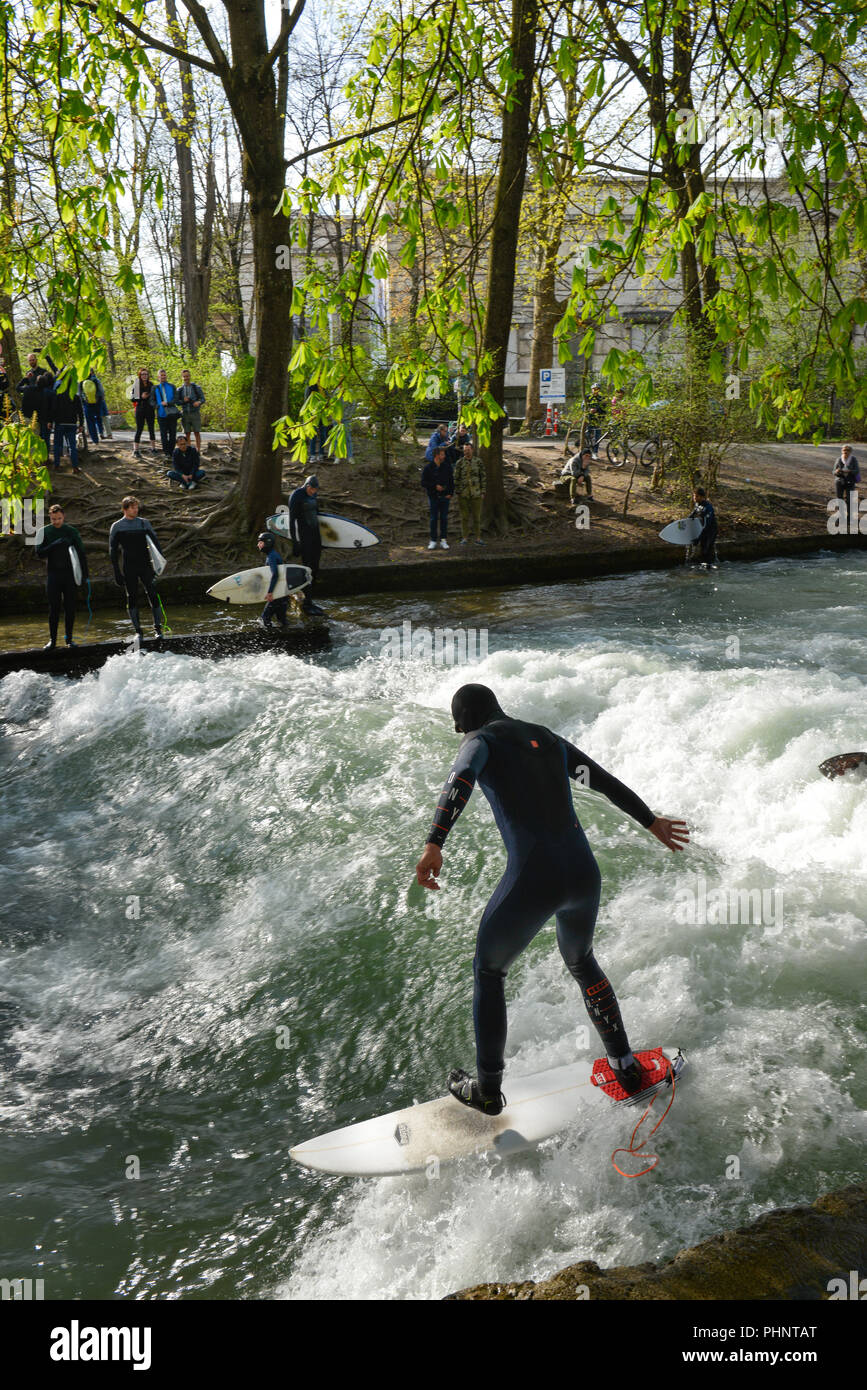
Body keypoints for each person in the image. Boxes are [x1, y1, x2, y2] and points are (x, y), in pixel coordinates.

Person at [415, 684, 689, 1113]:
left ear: (465, 720)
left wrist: (435, 842)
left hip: (533, 880)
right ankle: (625, 1064)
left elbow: (461, 777)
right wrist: (650, 820)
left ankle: (488, 1089)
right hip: (583, 875)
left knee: (489, 972)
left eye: (458, 726)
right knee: (582, 962)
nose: (459, 733)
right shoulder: (546, 738)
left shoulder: (480, 741)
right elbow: (602, 781)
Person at [109, 495, 164, 639]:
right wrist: (116, 571)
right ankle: (138, 631)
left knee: (153, 594)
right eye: (133, 507)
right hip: (129, 567)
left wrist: (158, 564)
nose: (136, 510)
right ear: (125, 509)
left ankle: (158, 628)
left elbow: (156, 545)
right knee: (132, 597)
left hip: (146, 565)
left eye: (137, 507)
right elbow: (113, 550)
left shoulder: (144, 523)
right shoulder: (117, 526)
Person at [35, 503, 88, 649]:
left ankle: (69, 639)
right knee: (54, 608)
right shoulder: (43, 532)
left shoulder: (71, 531)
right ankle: (52, 640)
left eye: (59, 518)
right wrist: (54, 544)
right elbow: (39, 553)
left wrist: (84, 576)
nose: (56, 521)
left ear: (63, 516)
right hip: (53, 574)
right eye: (53, 519)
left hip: (70, 575)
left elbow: (82, 554)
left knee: (70, 607)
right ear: (50, 518)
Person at [288, 474, 326, 615]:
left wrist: (326, 541)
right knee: (308, 569)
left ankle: (310, 600)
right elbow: (292, 521)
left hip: (316, 536)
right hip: (305, 537)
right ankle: (306, 603)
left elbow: (317, 515)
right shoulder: (296, 495)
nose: (314, 492)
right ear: (307, 486)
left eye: (316, 490)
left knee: (315, 569)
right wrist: (295, 542)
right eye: (312, 490)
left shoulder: (313, 496)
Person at [49, 370, 84, 473]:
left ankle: (56, 465)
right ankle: (75, 467)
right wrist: (81, 424)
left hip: (59, 423)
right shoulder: (76, 396)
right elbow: (80, 412)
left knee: (57, 445)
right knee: (72, 446)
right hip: (72, 423)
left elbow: (53, 409)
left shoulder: (58, 395)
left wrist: (51, 421)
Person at [257, 530, 291, 631]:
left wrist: (270, 592)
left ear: (267, 543)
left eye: (260, 542)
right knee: (282, 620)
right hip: (283, 594)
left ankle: (269, 641)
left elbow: (275, 574)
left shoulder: (272, 556)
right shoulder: (273, 554)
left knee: (264, 619)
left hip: (277, 594)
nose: (258, 545)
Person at [421, 445, 454, 550]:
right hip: (433, 497)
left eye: (444, 454)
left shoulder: (447, 467)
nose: (444, 456)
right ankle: (433, 540)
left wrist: (450, 493)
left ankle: (443, 540)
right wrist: (434, 486)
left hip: (445, 497)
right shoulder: (428, 468)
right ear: (436, 455)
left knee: (444, 518)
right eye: (442, 454)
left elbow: (451, 481)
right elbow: (423, 482)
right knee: (433, 518)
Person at [454, 441, 486, 544]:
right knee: (464, 517)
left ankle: (478, 538)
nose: (466, 452)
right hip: (463, 494)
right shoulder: (459, 463)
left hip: (476, 493)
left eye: (468, 450)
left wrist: (483, 491)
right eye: (464, 450)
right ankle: (465, 538)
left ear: (472, 450)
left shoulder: (478, 462)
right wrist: (458, 491)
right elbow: (456, 478)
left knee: (477, 517)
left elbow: (483, 477)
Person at [689, 486, 718, 567]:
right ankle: (704, 566)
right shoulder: (698, 504)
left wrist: (698, 538)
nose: (694, 498)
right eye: (694, 496)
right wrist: (688, 519)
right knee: (702, 549)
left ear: (702, 497)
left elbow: (707, 525)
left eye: (696, 496)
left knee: (707, 549)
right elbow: (694, 512)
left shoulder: (708, 508)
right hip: (704, 529)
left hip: (711, 530)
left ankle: (710, 567)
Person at [154, 369, 180, 457]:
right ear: (158, 377)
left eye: (164, 375)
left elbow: (176, 399)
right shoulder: (155, 388)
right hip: (161, 415)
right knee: (163, 435)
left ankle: (171, 452)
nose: (163, 377)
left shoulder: (172, 386)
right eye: (161, 375)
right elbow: (151, 401)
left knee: (173, 435)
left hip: (172, 414)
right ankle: (166, 453)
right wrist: (156, 406)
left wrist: (168, 403)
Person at [178, 369, 205, 452]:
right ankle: (189, 451)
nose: (186, 378)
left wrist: (198, 402)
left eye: (187, 376)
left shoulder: (196, 387)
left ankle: (198, 451)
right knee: (187, 433)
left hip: (195, 413)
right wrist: (183, 401)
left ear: (190, 376)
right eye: (184, 376)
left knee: (197, 432)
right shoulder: (179, 389)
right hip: (185, 413)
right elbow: (177, 402)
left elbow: (203, 399)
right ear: (182, 377)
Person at [131, 368, 157, 455]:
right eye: (142, 374)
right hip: (140, 410)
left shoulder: (151, 384)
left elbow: (154, 397)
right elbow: (132, 399)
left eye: (146, 374)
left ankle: (153, 448)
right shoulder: (136, 385)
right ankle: (136, 450)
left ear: (148, 375)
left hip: (150, 410)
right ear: (140, 375)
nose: (144, 376)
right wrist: (141, 397)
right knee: (139, 429)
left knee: (151, 429)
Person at [79, 371, 104, 445]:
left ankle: (95, 440)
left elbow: (79, 394)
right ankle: (101, 432)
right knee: (98, 417)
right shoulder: (95, 380)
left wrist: (83, 401)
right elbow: (101, 392)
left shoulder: (81, 381)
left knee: (90, 422)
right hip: (97, 403)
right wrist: (99, 400)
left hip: (87, 404)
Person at [585, 382, 608, 457]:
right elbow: (583, 406)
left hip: (598, 420)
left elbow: (604, 409)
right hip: (589, 419)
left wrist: (597, 410)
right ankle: (587, 451)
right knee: (587, 435)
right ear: (591, 389)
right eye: (594, 389)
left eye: (597, 389)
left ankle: (595, 452)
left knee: (597, 437)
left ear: (599, 390)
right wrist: (589, 410)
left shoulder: (601, 398)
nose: (595, 390)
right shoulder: (588, 397)